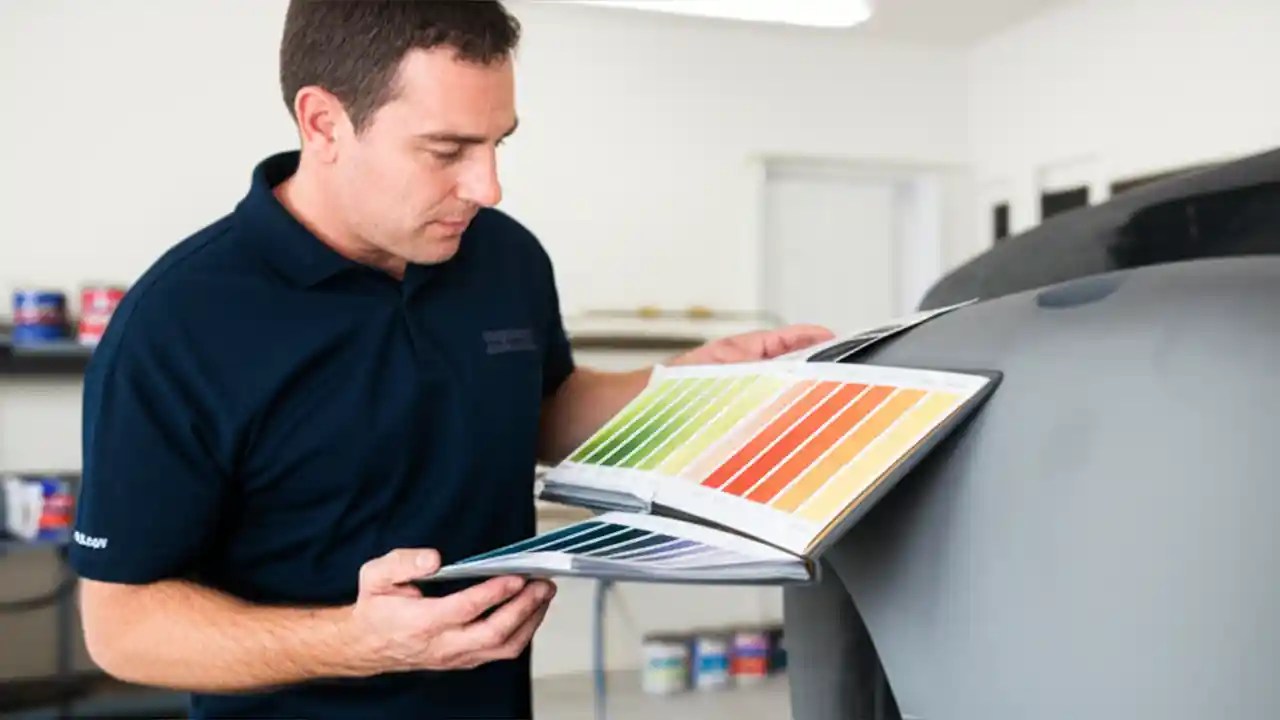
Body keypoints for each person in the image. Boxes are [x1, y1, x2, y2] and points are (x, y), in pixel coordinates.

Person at [68, 2, 833, 718]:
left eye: (498, 143)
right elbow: (121, 624)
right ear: (324, 122)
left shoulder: (504, 257)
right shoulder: (178, 323)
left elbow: (538, 408)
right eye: (447, 151)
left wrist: (694, 386)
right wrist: (355, 643)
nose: (488, 186)